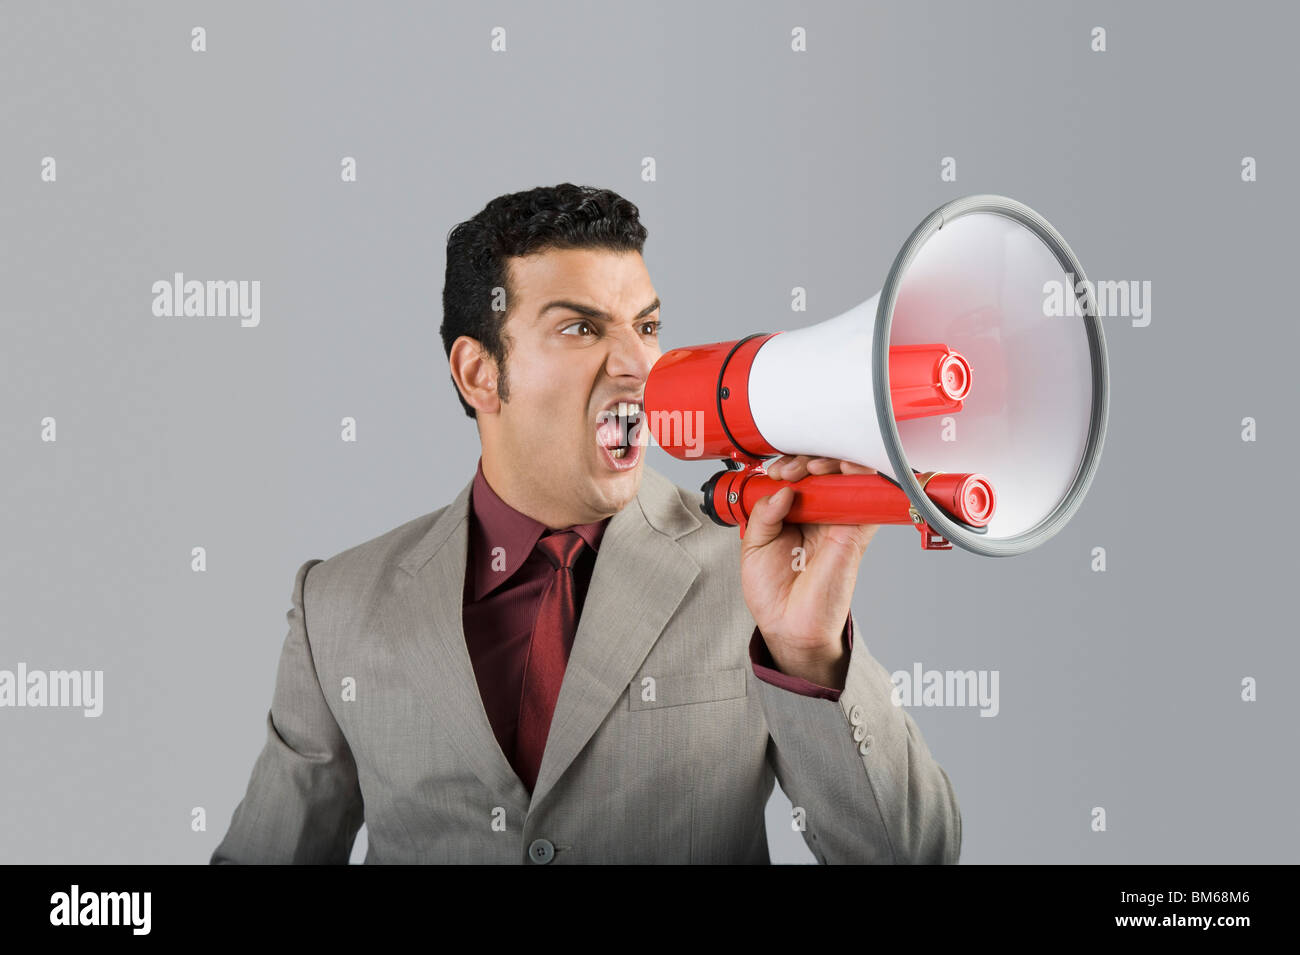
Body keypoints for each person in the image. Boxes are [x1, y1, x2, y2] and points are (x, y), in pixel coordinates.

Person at [210, 183, 961, 864]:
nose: (641, 365)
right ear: (479, 373)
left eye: (648, 325)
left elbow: (913, 857)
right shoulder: (336, 604)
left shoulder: (753, 569)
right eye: (580, 329)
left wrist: (809, 655)